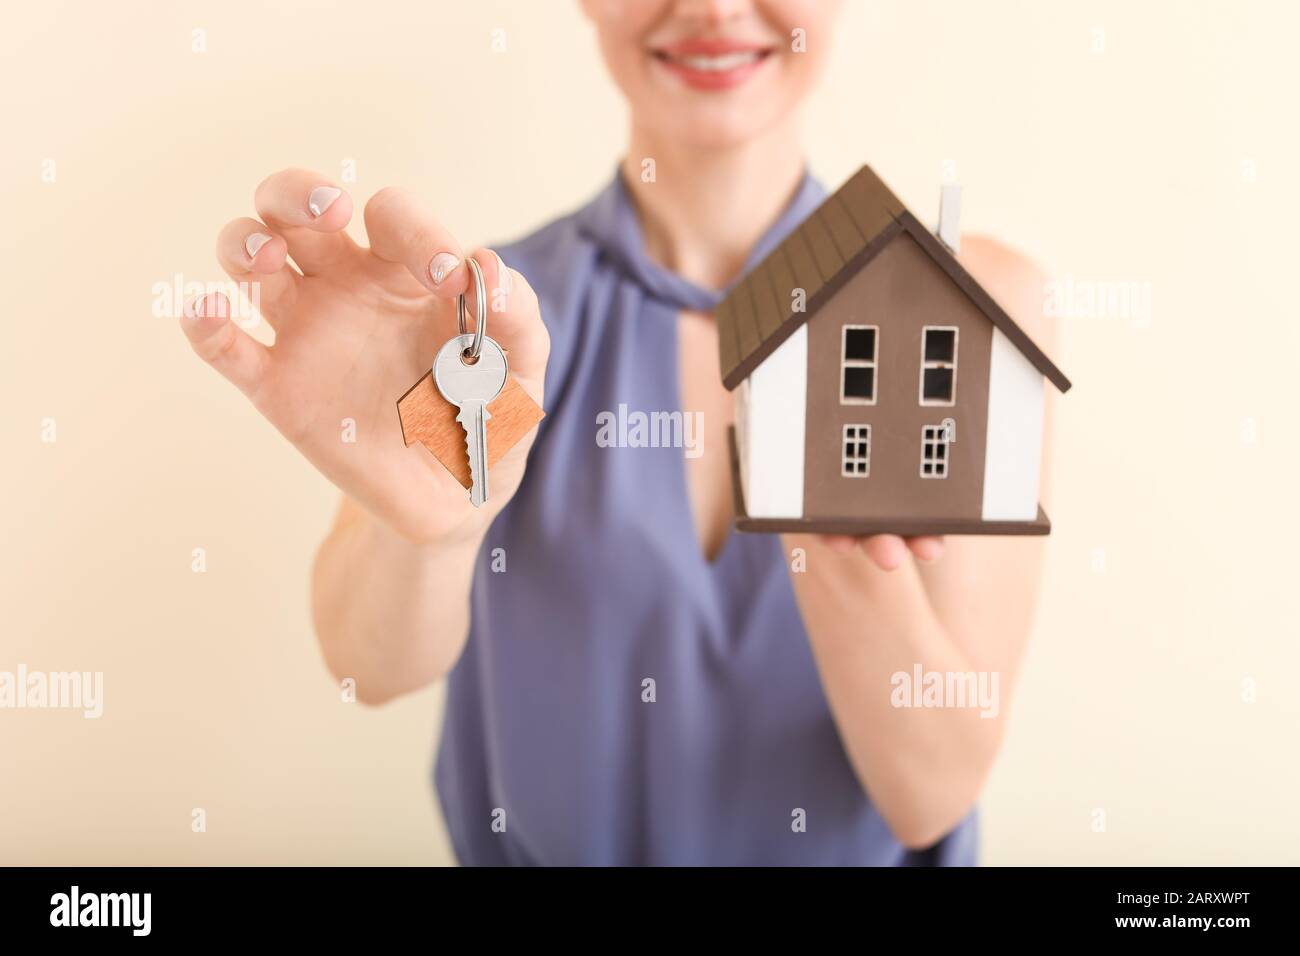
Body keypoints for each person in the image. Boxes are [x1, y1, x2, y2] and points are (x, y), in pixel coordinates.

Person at [179, 0, 1058, 865]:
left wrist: (831, 511)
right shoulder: (491, 327)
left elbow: (930, 796)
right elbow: (362, 665)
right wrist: (439, 531)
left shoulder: (962, 306)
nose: (712, 8)